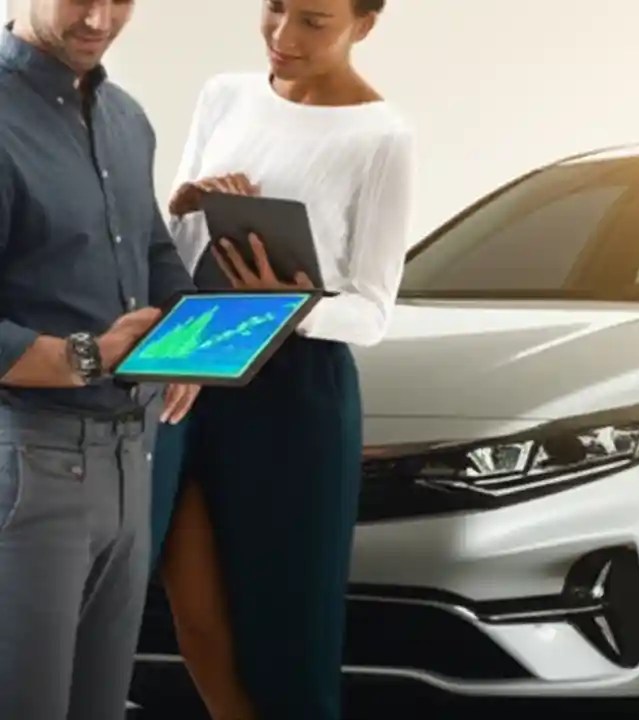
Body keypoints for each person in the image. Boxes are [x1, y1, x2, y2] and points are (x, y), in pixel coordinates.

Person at [148, 0, 414, 717]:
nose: (283, 36)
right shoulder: (224, 94)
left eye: (314, 22)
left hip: (296, 389)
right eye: (274, 9)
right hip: (194, 359)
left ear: (364, 24)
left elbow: (373, 309)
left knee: (287, 627)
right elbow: (173, 251)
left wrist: (292, 305)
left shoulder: (381, 136)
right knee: (191, 609)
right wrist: (185, 202)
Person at [0, 1, 203, 718]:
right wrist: (87, 356)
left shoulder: (126, 118)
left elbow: (151, 248)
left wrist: (190, 340)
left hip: (130, 459)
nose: (98, 17)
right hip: (28, 466)